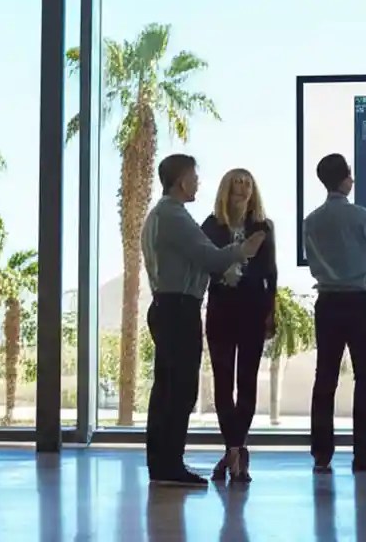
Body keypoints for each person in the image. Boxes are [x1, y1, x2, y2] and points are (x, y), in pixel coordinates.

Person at [142, 154, 266, 487]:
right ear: (182, 181)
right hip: (179, 308)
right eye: (194, 177)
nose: (197, 182)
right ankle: (170, 465)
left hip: (167, 306)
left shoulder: (160, 214)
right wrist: (243, 250)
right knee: (180, 390)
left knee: (167, 388)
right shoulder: (175, 216)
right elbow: (210, 257)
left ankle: (162, 463)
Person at [304, 153, 366, 473]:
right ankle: (363, 454)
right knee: (365, 378)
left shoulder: (311, 221)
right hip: (359, 302)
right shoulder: (362, 216)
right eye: (350, 176)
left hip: (327, 303)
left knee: (325, 378)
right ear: (344, 181)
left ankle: (321, 454)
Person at [201, 169, 277, 484]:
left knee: (247, 381)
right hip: (221, 309)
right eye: (237, 183)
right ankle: (235, 451)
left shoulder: (263, 227)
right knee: (223, 383)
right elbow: (204, 263)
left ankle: (235, 450)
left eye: (248, 183)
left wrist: (271, 311)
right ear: (226, 189)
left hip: (252, 309)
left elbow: (270, 272)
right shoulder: (211, 225)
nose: (243, 188)